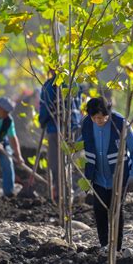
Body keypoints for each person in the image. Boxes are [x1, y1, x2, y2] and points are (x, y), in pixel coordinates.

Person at [80, 97, 133, 251]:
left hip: (119, 176)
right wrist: (71, 147)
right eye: (94, 118)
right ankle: (104, 246)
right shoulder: (87, 124)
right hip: (98, 178)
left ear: (108, 113)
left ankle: (116, 248)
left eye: (101, 118)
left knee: (116, 211)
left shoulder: (120, 123)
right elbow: (83, 141)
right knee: (99, 211)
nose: (98, 121)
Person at [39, 70, 82, 199]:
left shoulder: (49, 85)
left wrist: (42, 121)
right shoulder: (74, 84)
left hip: (55, 129)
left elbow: (45, 108)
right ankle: (68, 193)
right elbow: (78, 106)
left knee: (55, 164)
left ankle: (61, 194)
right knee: (67, 162)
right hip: (72, 128)